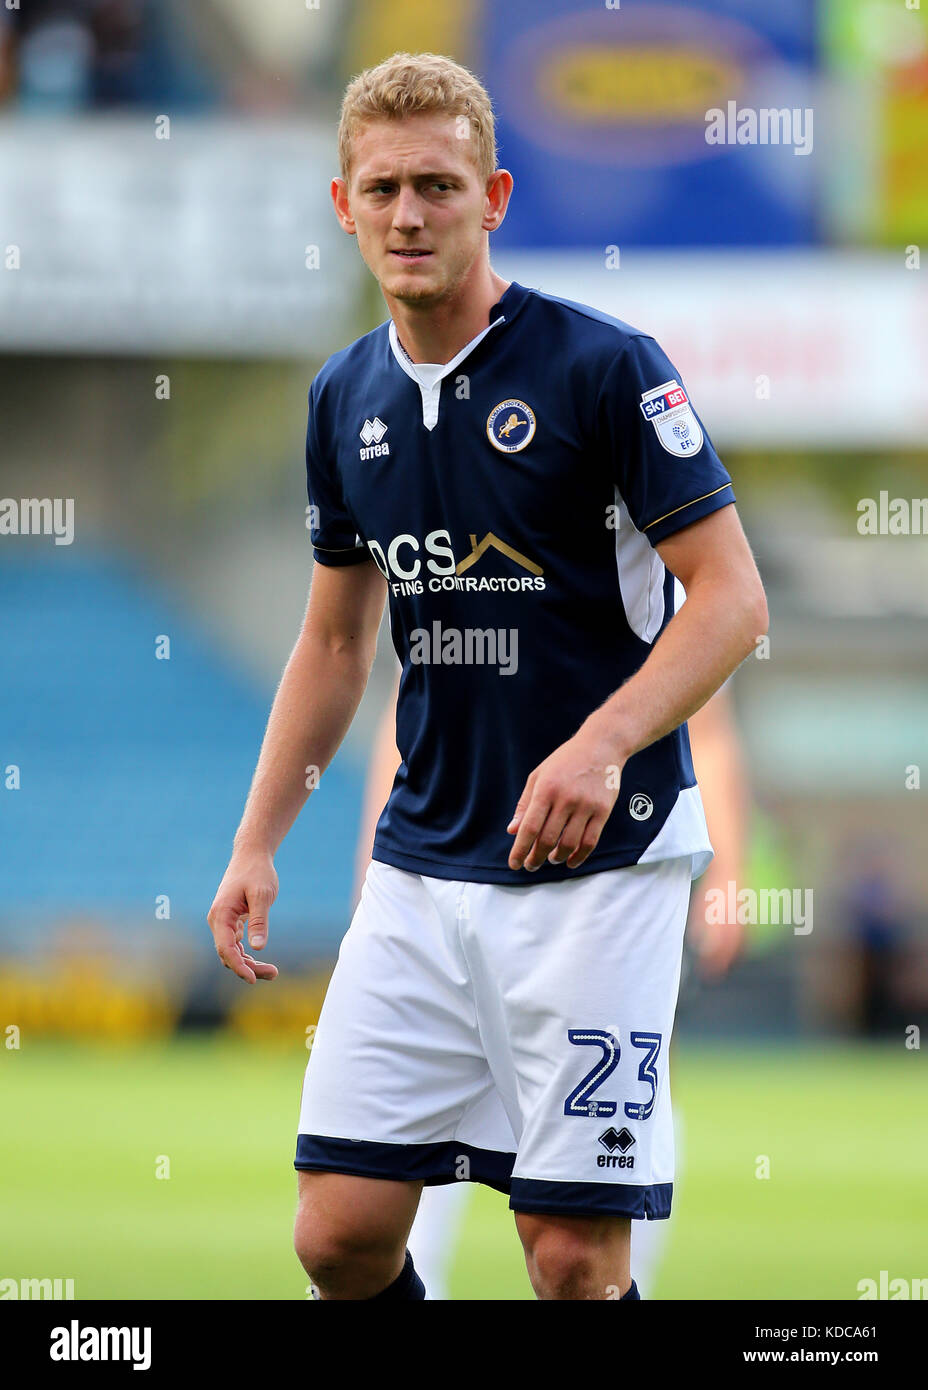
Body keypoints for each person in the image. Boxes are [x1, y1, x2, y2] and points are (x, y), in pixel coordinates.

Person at [206, 50, 768, 1301]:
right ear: (343, 203)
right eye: (385, 188)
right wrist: (258, 840)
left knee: (569, 1256)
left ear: (494, 196)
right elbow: (336, 644)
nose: (410, 214)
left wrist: (601, 741)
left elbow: (732, 600)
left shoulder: (602, 367)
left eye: (439, 187)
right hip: (421, 871)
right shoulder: (340, 396)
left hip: (600, 873)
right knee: (338, 1235)